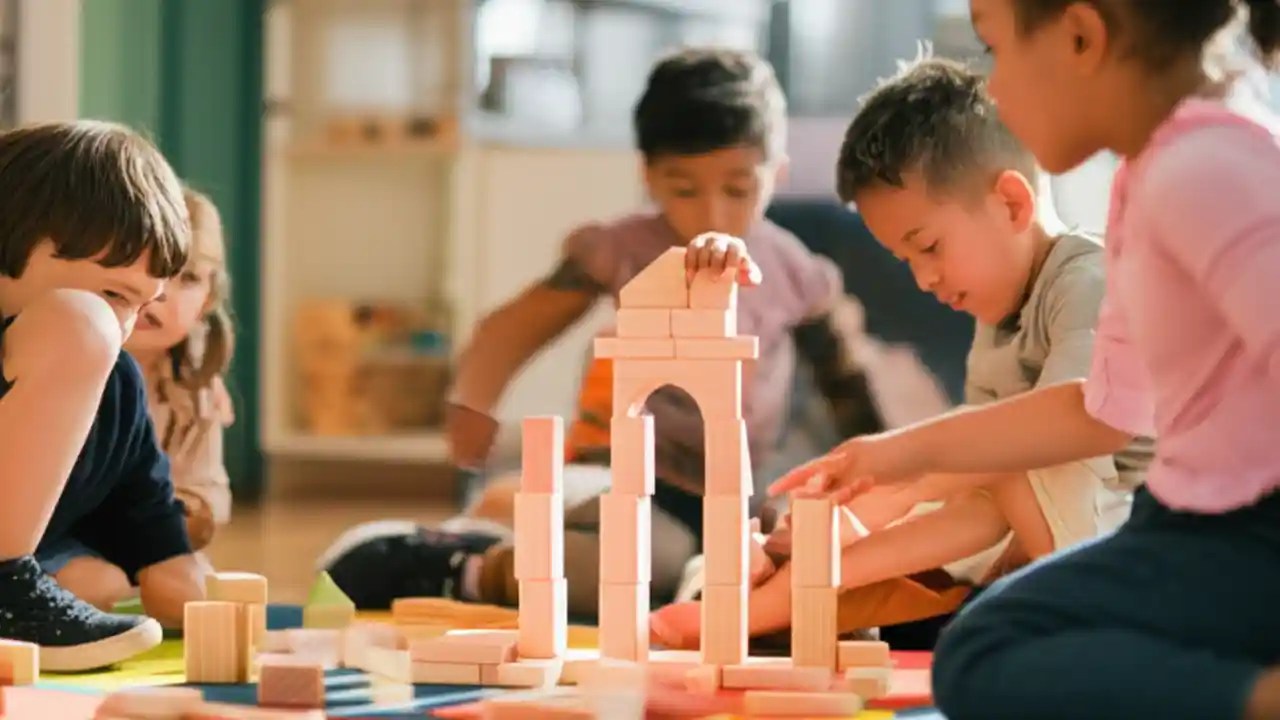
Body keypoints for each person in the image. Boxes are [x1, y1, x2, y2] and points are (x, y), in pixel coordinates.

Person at [771, 1, 1280, 718]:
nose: (996, 88)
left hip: (1247, 528)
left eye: (996, 50)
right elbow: (1102, 412)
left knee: (989, 651)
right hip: (1185, 518)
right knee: (988, 641)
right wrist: (893, 458)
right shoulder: (1153, 174)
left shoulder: (1206, 169)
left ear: (1081, 36)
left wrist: (903, 458)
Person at [321, 47, 885, 615]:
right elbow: (516, 327)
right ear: (647, 175)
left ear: (777, 171)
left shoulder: (796, 271)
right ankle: (454, 564)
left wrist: (883, 478)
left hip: (736, 490)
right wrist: (474, 398)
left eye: (737, 189)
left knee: (781, 563)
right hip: (623, 478)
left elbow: (848, 383)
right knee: (626, 569)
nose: (711, 214)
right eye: (684, 190)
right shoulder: (618, 249)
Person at [648, 56, 1151, 649]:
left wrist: (900, 462)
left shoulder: (1087, 281)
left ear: (1012, 204)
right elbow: (979, 499)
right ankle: (796, 584)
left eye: (929, 247)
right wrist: (852, 530)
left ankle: (776, 600)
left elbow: (1083, 418)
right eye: (907, 261)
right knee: (941, 492)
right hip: (1045, 550)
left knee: (994, 456)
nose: (923, 279)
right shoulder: (996, 322)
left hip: (1133, 556)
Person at [0, 120, 202, 672]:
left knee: (101, 584)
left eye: (142, 304)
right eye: (114, 293)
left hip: (48, 558)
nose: (126, 325)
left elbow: (147, 514)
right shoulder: (75, 331)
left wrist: (189, 587)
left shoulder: (116, 384)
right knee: (79, 322)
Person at [125, 187, 236, 556]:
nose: (160, 292)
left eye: (186, 278)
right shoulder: (63, 367)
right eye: (143, 265)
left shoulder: (194, 386)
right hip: (55, 547)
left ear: (208, 299)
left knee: (194, 586)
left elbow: (207, 495)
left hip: (145, 544)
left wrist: (183, 516)